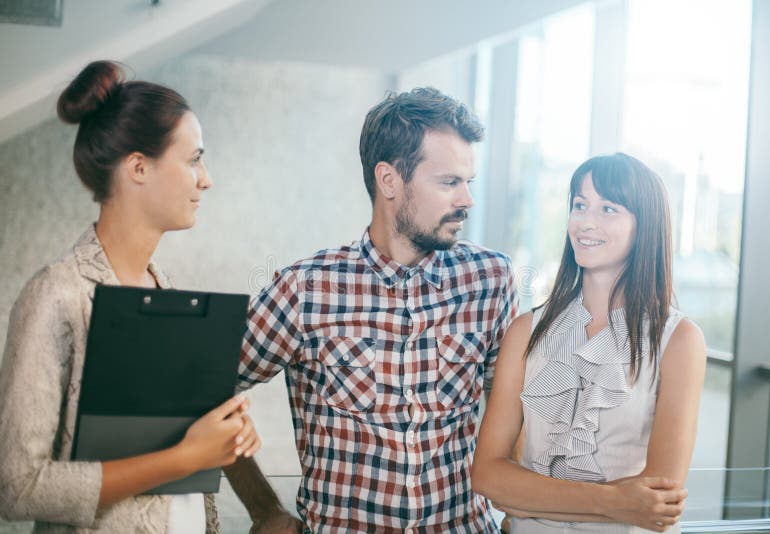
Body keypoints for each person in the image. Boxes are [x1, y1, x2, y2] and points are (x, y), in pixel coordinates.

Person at [235, 87, 519, 532]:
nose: (468, 200)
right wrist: (263, 508)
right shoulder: (305, 289)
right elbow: (202, 393)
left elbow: (516, 420)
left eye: (469, 182)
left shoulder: (491, 280)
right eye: (449, 182)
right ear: (389, 180)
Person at [0, 60, 261, 533]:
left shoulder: (172, 299)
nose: (206, 179)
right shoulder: (57, 295)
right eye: (194, 159)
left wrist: (227, 434)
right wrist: (182, 458)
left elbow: (193, 449)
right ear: (138, 167)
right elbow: (16, 486)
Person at [471, 153, 706, 533]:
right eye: (580, 205)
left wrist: (527, 496)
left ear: (643, 226)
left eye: (608, 208)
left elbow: (659, 501)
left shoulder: (679, 340)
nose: (586, 221)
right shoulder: (525, 332)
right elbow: (487, 476)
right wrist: (616, 502)